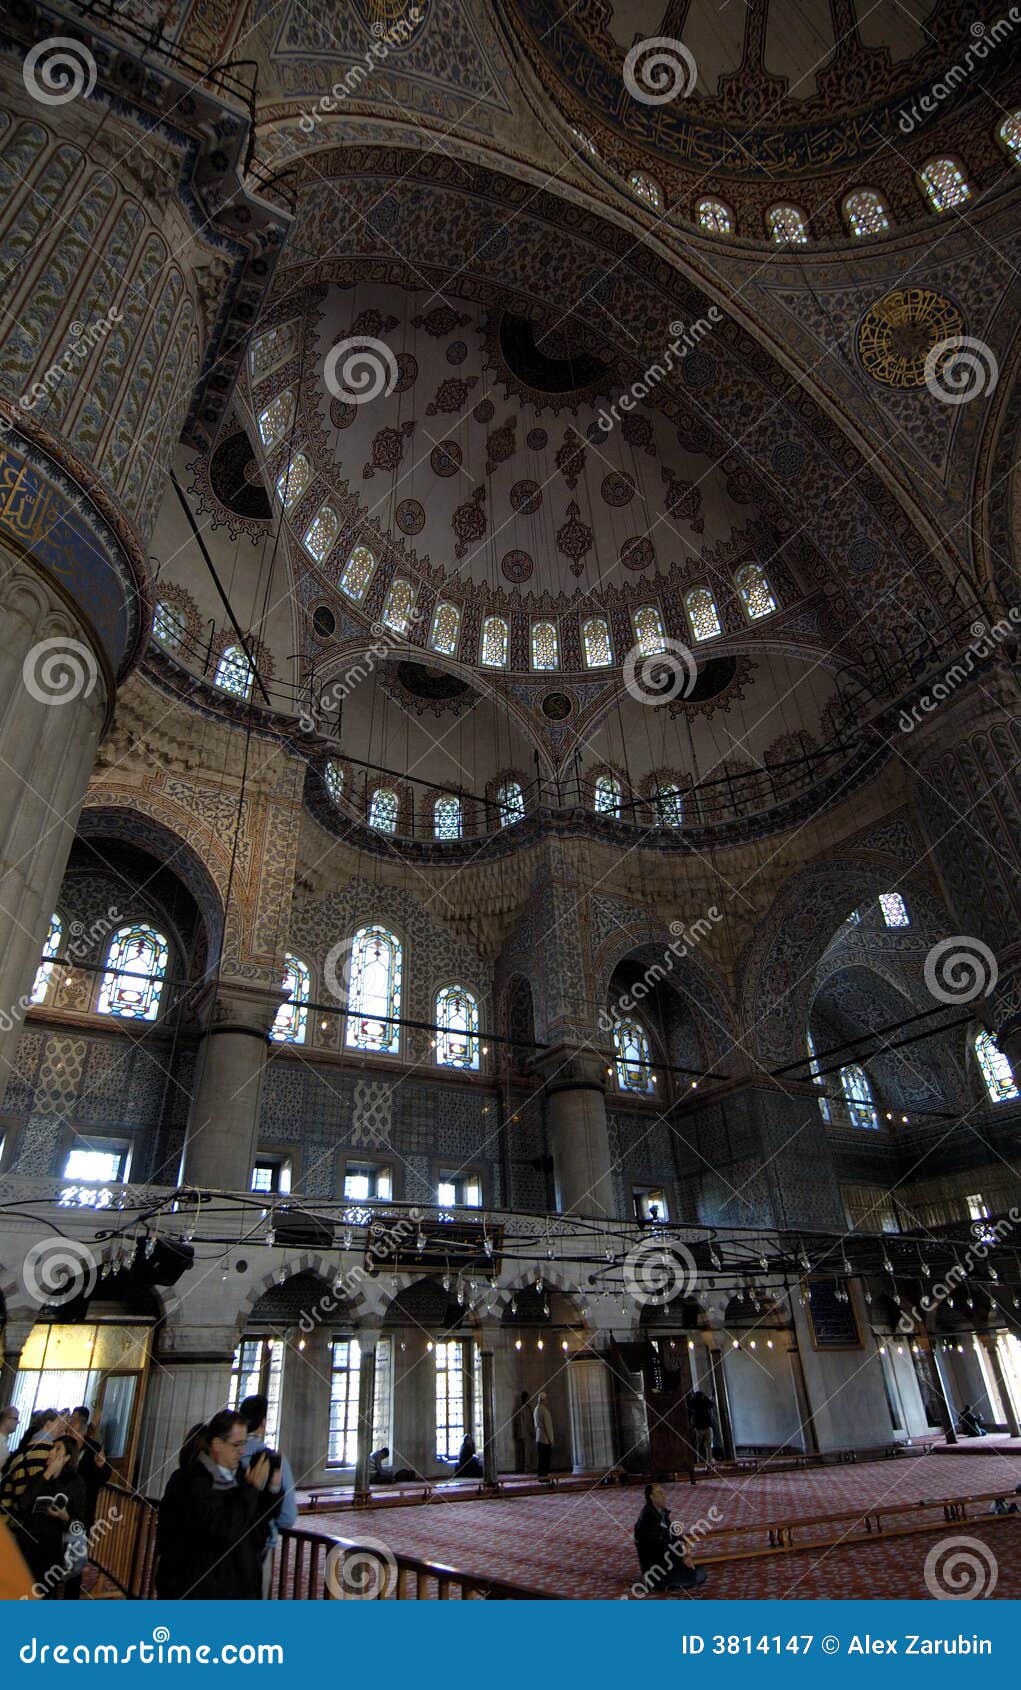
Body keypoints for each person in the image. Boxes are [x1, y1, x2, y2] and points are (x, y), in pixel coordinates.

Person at [156, 1410, 283, 1599]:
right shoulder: (190, 1482)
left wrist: (272, 1489)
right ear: (217, 1444)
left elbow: (257, 1527)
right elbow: (224, 1529)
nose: (242, 1451)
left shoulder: (242, 1477)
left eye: (244, 1444)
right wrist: (251, 1489)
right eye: (236, 1445)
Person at [239, 1395, 297, 1599]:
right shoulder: (274, 1461)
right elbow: (288, 1517)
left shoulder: (225, 1456)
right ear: (263, 1423)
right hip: (259, 1547)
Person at [2, 1437, 74, 1596]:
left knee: (45, 1592)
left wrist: (65, 1517)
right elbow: (23, 1504)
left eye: (57, 1449)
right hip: (28, 1542)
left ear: (67, 1457)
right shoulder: (39, 1477)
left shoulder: (73, 1483)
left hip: (52, 1546)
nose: (51, 1452)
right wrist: (47, 1473)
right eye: (52, 1448)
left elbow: (79, 1522)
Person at [634, 1482, 708, 1593]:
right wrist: (681, 1557)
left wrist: (684, 1549)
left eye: (663, 1492)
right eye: (660, 1493)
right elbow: (658, 1547)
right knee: (694, 1575)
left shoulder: (661, 1513)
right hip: (656, 1565)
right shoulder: (648, 1519)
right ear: (652, 1497)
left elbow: (672, 1535)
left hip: (666, 1558)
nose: (664, 1496)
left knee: (697, 1571)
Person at [688, 1389, 715, 1466]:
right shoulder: (705, 1402)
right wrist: (705, 1397)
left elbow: (689, 1406)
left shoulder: (694, 1403)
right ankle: (709, 1462)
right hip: (707, 1426)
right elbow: (711, 1405)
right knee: (708, 1446)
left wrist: (692, 1397)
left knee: (698, 1445)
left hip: (698, 1427)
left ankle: (698, 1462)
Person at [533, 1392, 554, 1479]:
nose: (547, 1401)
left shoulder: (536, 1409)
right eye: (546, 1399)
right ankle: (544, 1477)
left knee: (541, 1459)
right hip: (545, 1438)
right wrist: (551, 1439)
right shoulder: (544, 1411)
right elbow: (548, 1427)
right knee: (545, 1459)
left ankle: (541, 1476)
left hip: (538, 1436)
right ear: (543, 1400)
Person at [512, 1391, 531, 1472]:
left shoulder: (527, 1408)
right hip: (523, 1434)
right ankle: (524, 1468)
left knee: (526, 1452)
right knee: (523, 1452)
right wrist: (522, 1434)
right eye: (527, 1398)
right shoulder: (522, 1409)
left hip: (526, 1433)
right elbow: (521, 1423)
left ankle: (526, 1467)